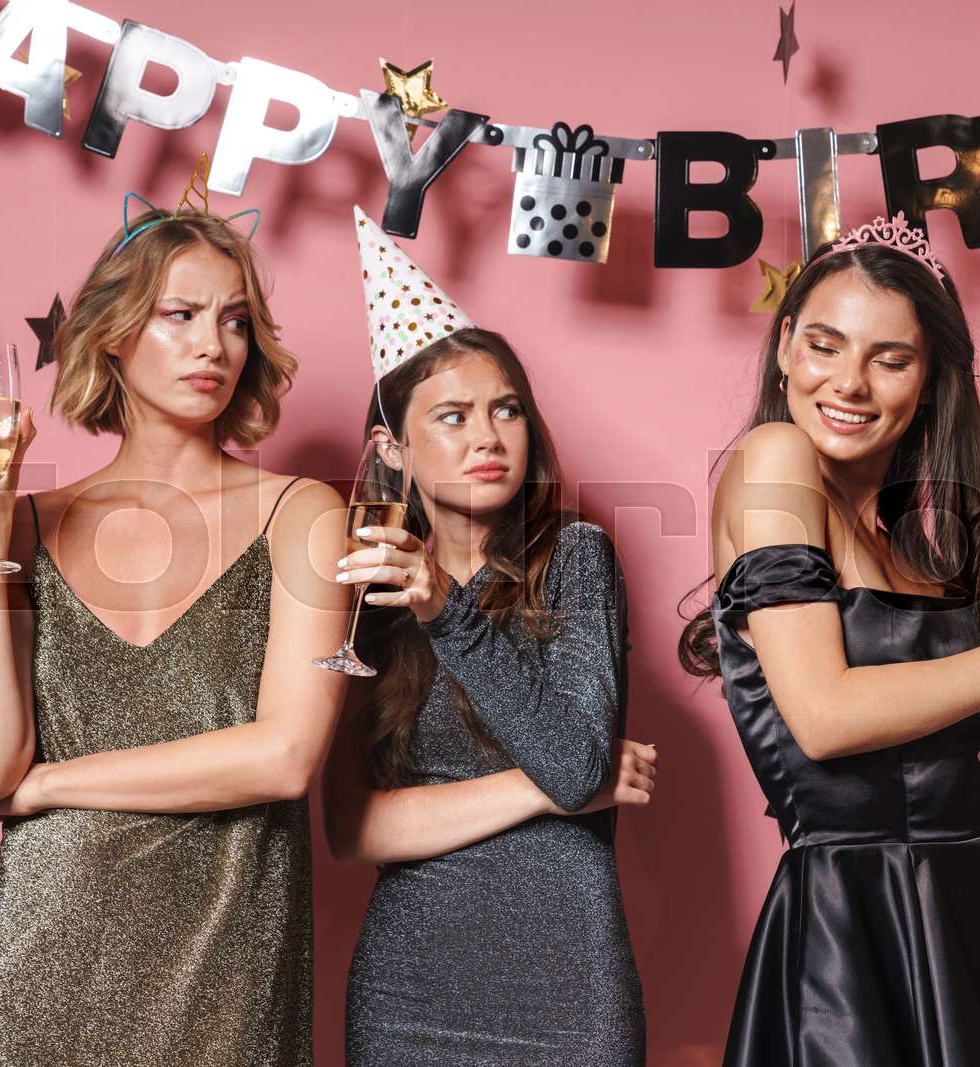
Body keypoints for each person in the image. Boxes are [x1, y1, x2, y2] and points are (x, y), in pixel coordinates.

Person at [678, 213, 980, 1066]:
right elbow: (824, 715)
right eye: (826, 345)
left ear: (932, 376)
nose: (850, 383)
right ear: (786, 344)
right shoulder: (773, 459)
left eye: (890, 358)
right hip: (849, 929)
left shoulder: (912, 546)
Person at [0, 181, 350, 1066]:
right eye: (179, 314)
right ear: (113, 334)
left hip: (225, 960)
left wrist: (46, 788)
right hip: (36, 962)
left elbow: (285, 756)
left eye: (233, 321)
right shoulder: (27, 523)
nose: (212, 344)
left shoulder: (300, 512)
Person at [325, 208, 652, 1066]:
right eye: (453, 417)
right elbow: (352, 830)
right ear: (390, 449)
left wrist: (448, 610)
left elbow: (579, 762)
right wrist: (550, 789)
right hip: (409, 988)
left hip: (568, 985)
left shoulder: (577, 558)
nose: (487, 437)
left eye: (505, 410)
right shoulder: (371, 595)